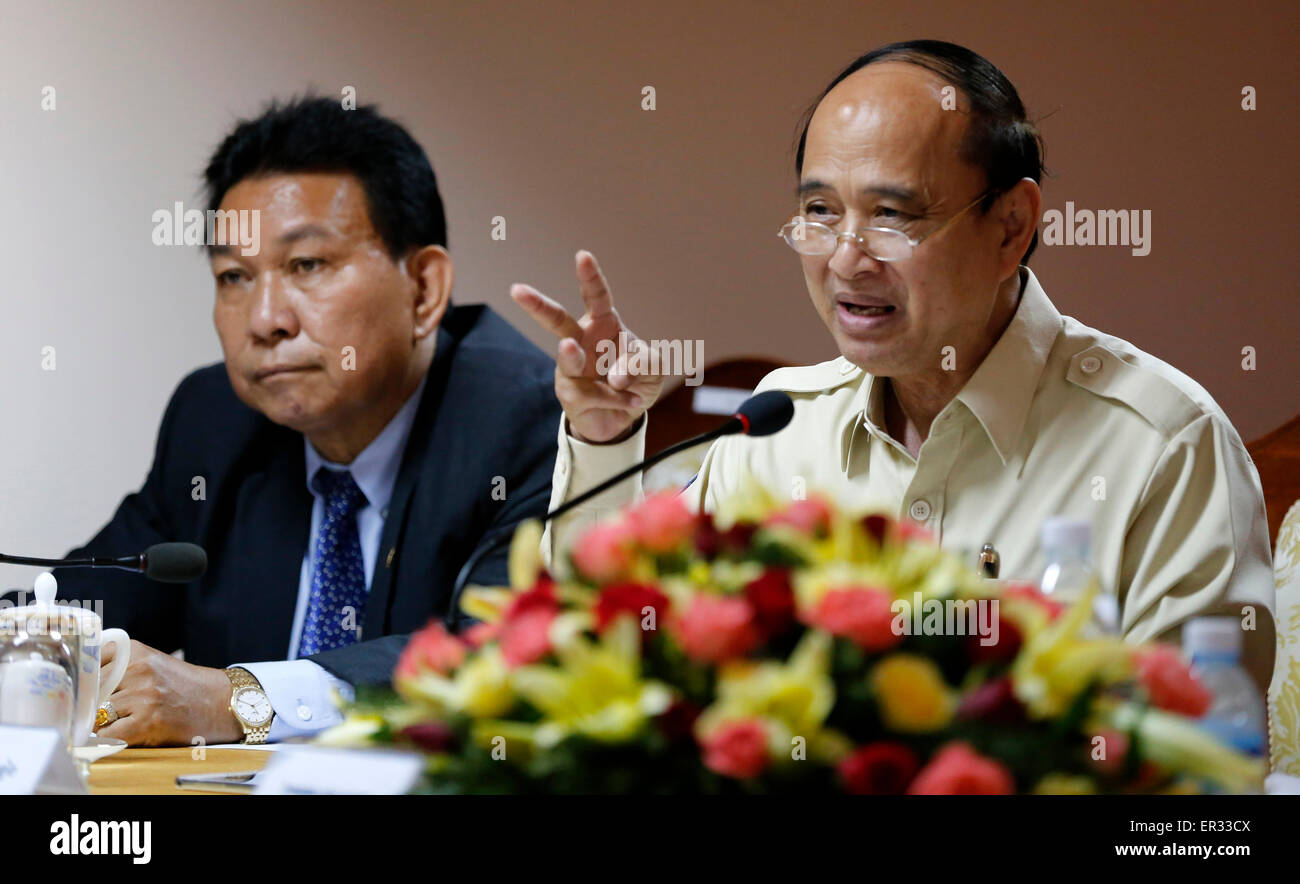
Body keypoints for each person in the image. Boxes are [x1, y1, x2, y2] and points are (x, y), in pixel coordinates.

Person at [511, 39, 1275, 691]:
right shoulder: (777, 428)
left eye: (892, 215)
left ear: (1011, 228)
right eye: (819, 211)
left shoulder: (1161, 446)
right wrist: (605, 437)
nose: (847, 259)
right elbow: (614, 654)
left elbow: (1201, 774)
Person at [43, 97, 560, 746]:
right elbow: (87, 607)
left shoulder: (527, 423)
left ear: (424, 289)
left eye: (307, 265)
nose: (266, 320)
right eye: (235, 276)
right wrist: (22, 646)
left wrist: (235, 700)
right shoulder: (214, 420)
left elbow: (503, 656)